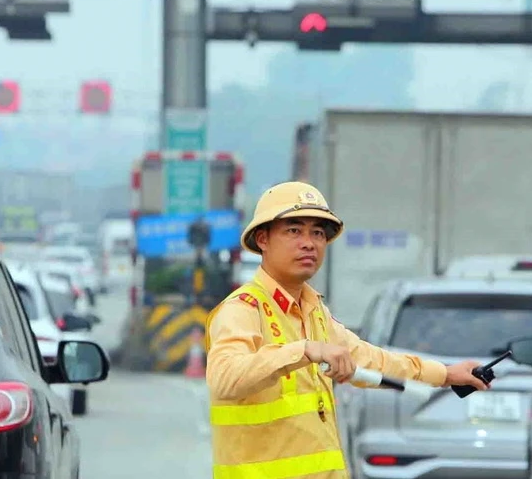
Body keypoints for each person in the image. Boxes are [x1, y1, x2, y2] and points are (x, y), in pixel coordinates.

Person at [205, 181, 489, 479]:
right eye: (294, 230)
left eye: (317, 232)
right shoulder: (242, 309)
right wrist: (304, 350)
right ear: (262, 239)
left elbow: (373, 360)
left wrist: (446, 374)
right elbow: (224, 378)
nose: (309, 242)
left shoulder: (314, 312)